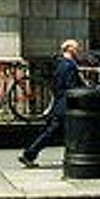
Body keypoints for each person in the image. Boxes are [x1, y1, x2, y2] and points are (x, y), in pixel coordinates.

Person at [19, 38, 82, 167]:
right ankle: (29, 154)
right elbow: (72, 87)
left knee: (59, 133)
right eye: (76, 48)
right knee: (56, 133)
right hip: (66, 106)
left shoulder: (60, 64)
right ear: (69, 49)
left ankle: (30, 154)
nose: (78, 51)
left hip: (60, 104)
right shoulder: (69, 65)